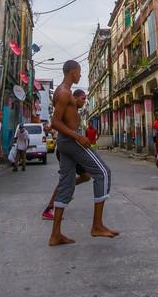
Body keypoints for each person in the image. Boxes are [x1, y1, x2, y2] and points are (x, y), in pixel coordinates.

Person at [49, 61, 118, 246]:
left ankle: (55, 235)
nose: (80, 75)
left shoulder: (65, 92)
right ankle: (97, 225)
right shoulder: (64, 92)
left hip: (65, 142)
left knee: (66, 185)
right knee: (103, 173)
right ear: (73, 72)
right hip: (70, 141)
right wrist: (78, 137)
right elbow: (55, 122)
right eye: (79, 72)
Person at [42, 89, 91, 220]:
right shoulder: (67, 110)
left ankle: (67, 191)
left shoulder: (77, 115)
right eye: (82, 98)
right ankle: (50, 208)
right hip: (65, 149)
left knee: (85, 176)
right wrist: (50, 127)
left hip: (72, 149)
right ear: (74, 98)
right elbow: (57, 122)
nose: (84, 101)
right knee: (66, 181)